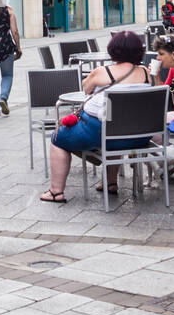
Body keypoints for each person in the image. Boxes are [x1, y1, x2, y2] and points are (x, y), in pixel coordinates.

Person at [41, 31, 155, 202]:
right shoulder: (147, 73)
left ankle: (56, 192)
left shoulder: (102, 72)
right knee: (116, 127)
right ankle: (110, 183)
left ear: (112, 50)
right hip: (138, 137)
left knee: (58, 138)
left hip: (101, 133)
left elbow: (86, 89)